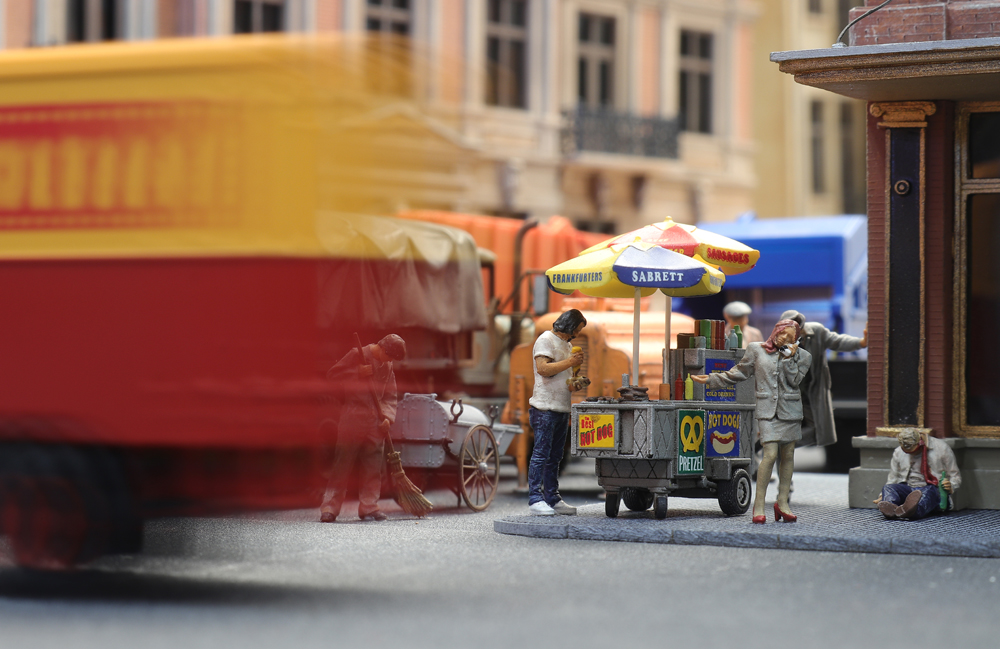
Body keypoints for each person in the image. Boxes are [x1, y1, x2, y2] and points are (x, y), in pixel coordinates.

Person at [692, 319, 811, 523]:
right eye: (782, 333)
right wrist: (713, 379)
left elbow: (794, 381)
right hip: (767, 410)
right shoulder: (757, 350)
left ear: (795, 340)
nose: (784, 338)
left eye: (790, 337)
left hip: (790, 411)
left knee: (789, 454)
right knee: (770, 454)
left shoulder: (803, 356)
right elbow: (740, 372)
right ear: (776, 330)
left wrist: (789, 358)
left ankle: (782, 502)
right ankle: (759, 504)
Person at [320, 334, 407, 522]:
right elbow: (333, 375)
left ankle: (369, 506)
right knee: (342, 464)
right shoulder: (356, 355)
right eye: (389, 356)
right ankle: (330, 507)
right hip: (353, 417)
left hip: (375, 422)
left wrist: (388, 417)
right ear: (383, 349)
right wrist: (357, 373)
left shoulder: (387, 365)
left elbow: (390, 395)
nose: (390, 361)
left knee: (373, 466)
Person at [527, 309, 590, 516]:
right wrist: (570, 362)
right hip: (545, 407)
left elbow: (563, 380)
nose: (577, 334)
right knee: (541, 454)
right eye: (577, 329)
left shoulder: (568, 345)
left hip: (561, 407)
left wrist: (575, 382)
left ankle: (552, 497)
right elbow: (543, 369)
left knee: (555, 456)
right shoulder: (545, 340)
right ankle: (535, 498)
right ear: (569, 325)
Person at [779, 310, 867, 448]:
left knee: (817, 429)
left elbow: (837, 341)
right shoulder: (780, 340)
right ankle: (778, 447)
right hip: (789, 394)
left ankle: (784, 445)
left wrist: (861, 342)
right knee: (783, 427)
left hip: (810, 391)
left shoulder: (816, 332)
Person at [876, 428, 961, 520]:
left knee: (928, 492)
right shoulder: (898, 452)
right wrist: (882, 495)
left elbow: (955, 476)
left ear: (919, 442)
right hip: (909, 487)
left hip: (932, 488)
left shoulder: (942, 448)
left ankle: (913, 510)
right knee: (888, 488)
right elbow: (893, 478)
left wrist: (950, 486)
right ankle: (891, 508)